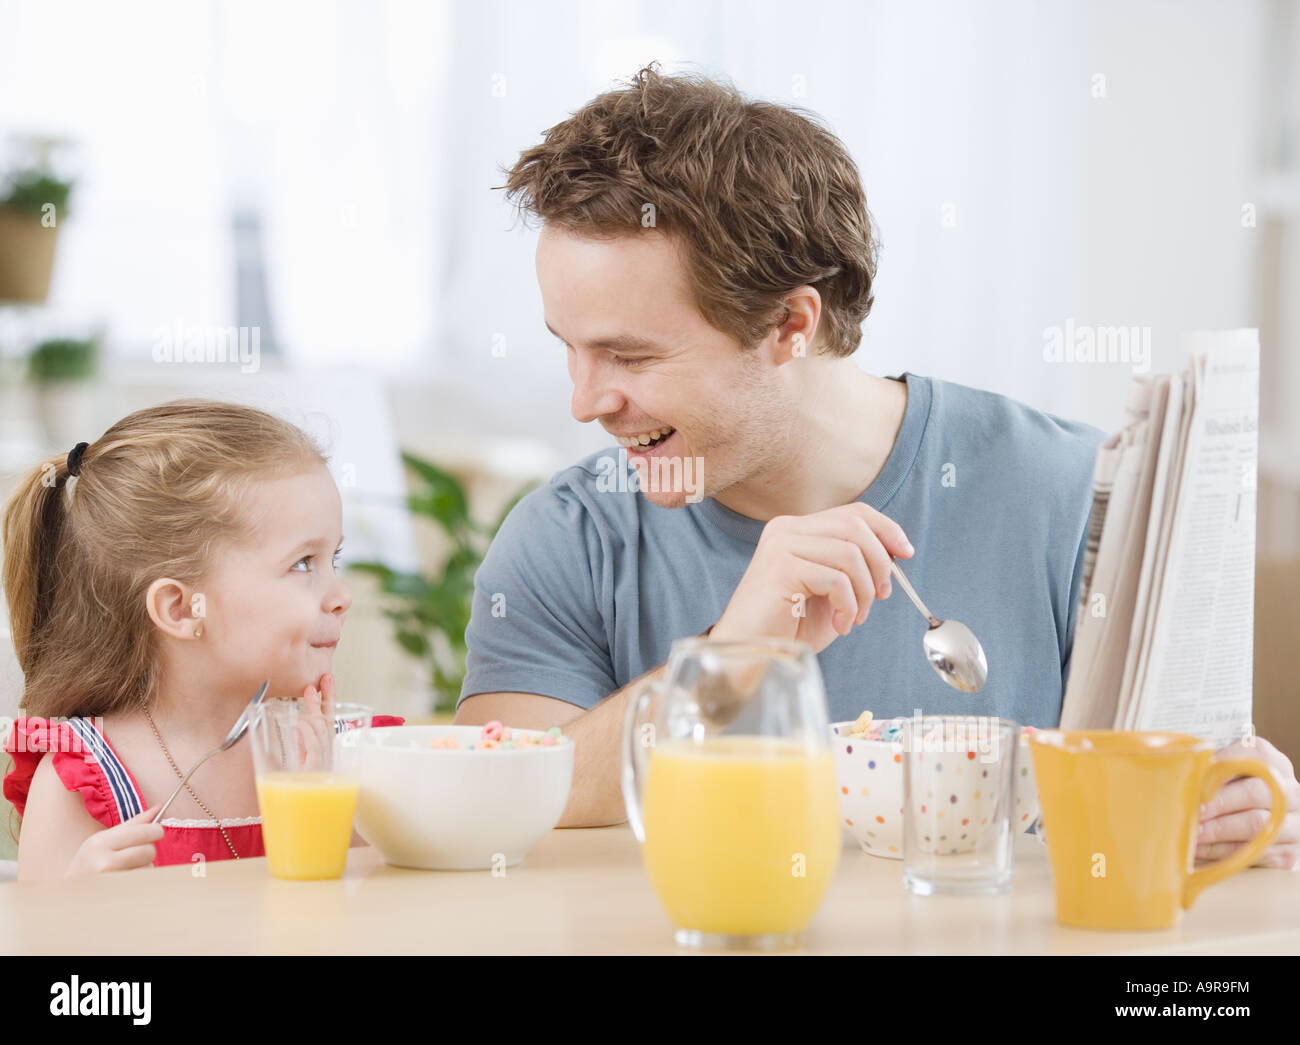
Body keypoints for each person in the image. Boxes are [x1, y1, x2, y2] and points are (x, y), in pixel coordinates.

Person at [455, 64, 1297, 867]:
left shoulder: (1075, 495)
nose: (585, 402)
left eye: (629, 358)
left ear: (790, 324)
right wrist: (734, 653)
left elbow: (1174, 808)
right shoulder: (564, 537)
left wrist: (1242, 813)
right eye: (569, 349)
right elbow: (506, 797)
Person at [2, 400, 402, 879]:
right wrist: (79, 902)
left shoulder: (351, 759)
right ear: (179, 608)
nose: (341, 597)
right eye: (302, 564)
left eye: (333, 559)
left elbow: (377, 914)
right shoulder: (82, 781)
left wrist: (323, 800)